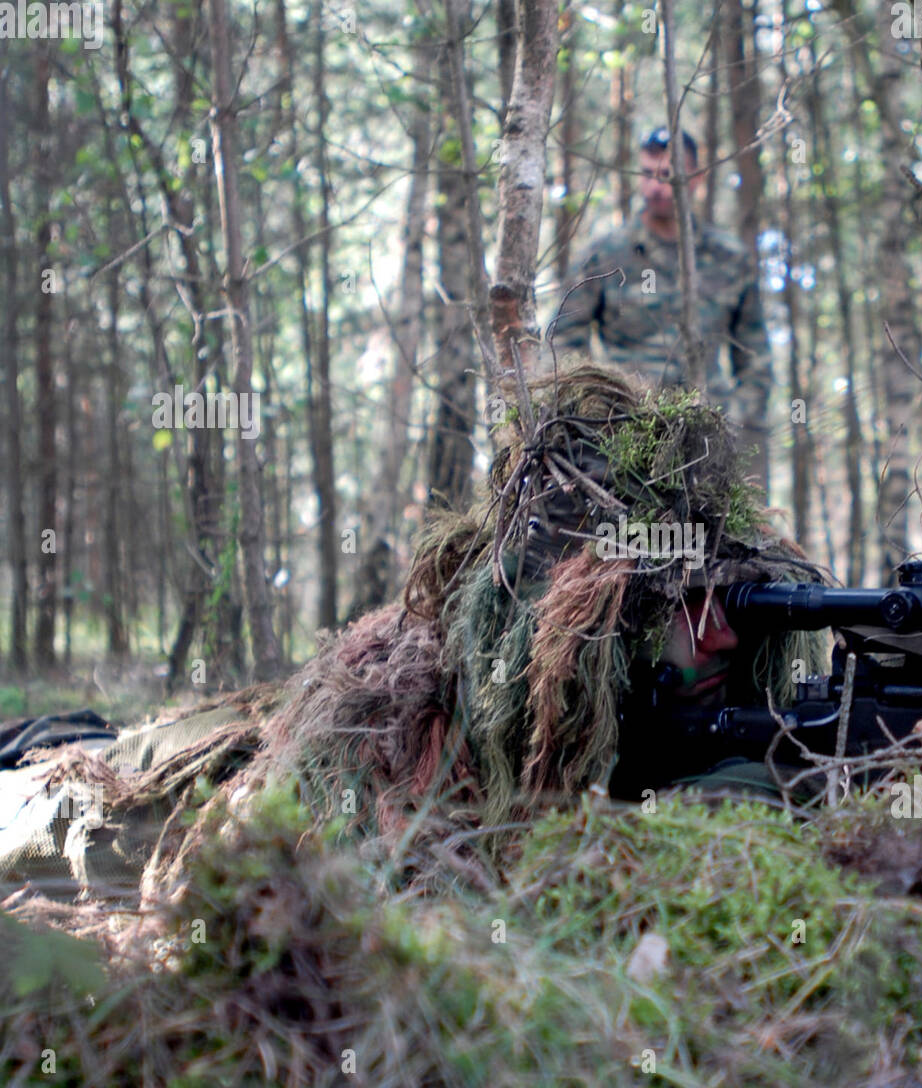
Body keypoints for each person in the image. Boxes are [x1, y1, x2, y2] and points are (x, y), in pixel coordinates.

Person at [0, 365, 826, 903]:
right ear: (571, 636)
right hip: (286, 738)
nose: (721, 639)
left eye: (732, 604)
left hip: (293, 714)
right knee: (102, 781)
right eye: (683, 607)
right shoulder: (456, 720)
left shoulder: (711, 711)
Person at [549, 127, 775, 494]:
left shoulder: (729, 258)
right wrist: (591, 416)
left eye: (667, 176)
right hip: (620, 445)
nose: (655, 188)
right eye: (646, 174)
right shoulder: (605, 255)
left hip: (708, 446)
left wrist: (739, 420)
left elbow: (756, 357)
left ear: (697, 178)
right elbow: (562, 346)